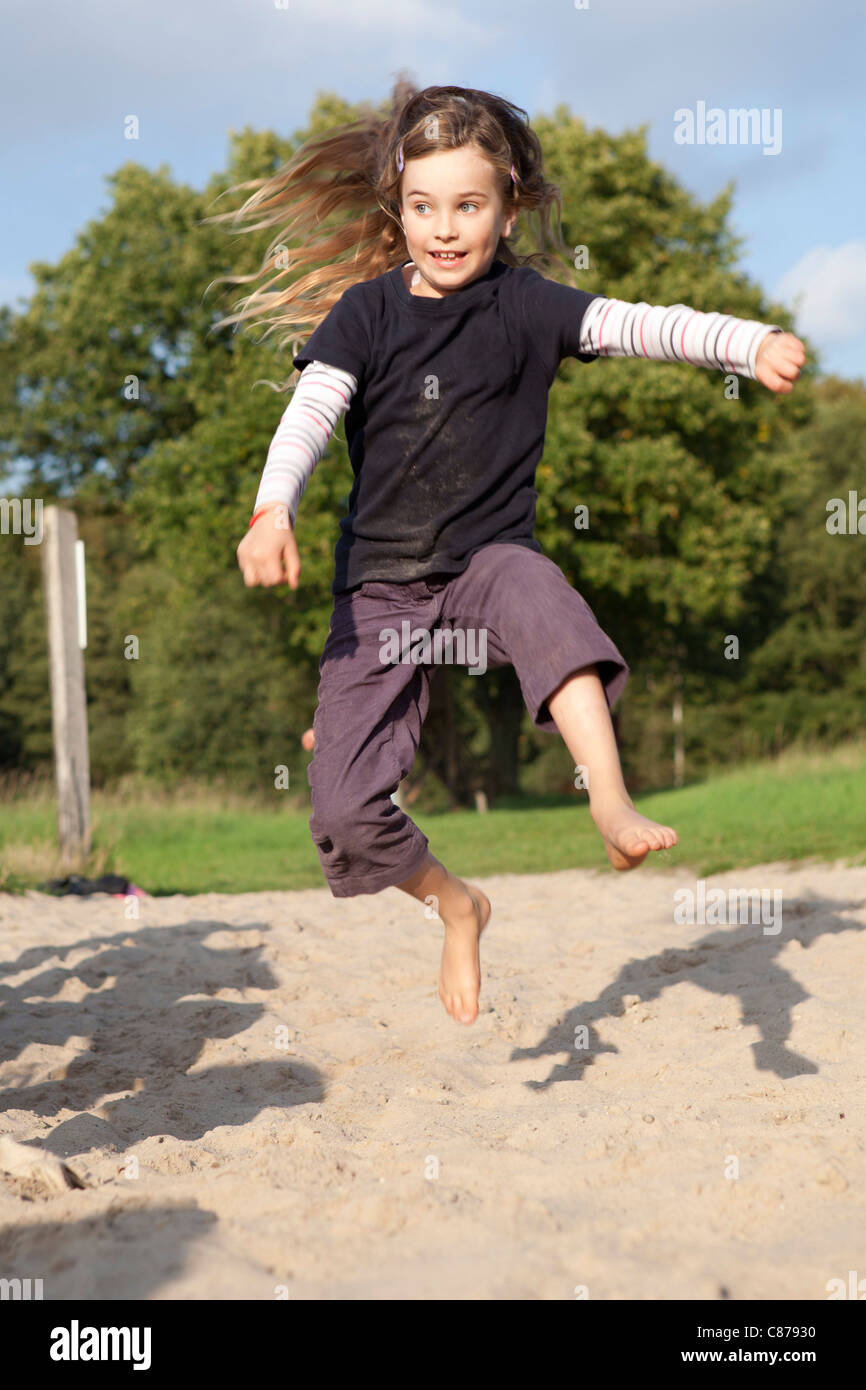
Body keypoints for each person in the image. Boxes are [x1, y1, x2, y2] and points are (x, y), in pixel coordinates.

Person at [219, 82, 805, 1026]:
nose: (444, 229)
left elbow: (639, 323)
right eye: (422, 207)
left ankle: (609, 801)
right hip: (382, 590)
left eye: (468, 205)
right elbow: (312, 411)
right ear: (397, 206)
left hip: (488, 564)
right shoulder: (366, 316)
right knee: (341, 815)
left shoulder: (526, 305)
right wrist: (270, 509)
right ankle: (459, 903)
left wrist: (747, 342)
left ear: (510, 203)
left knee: (538, 587)